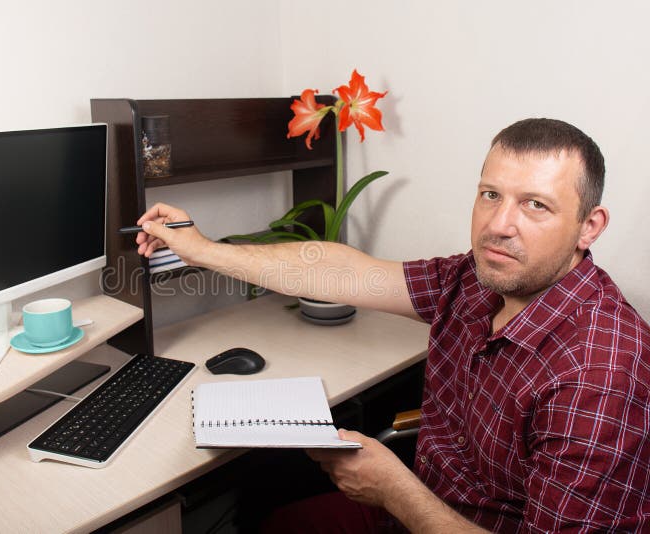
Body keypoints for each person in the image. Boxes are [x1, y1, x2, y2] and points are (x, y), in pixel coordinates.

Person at [134, 118, 650, 532]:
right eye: (490, 195)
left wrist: (392, 488)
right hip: (424, 505)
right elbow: (345, 272)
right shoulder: (477, 277)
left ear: (589, 226)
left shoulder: (601, 373)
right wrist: (201, 250)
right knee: (271, 516)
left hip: (433, 513)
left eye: (535, 205)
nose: (498, 225)